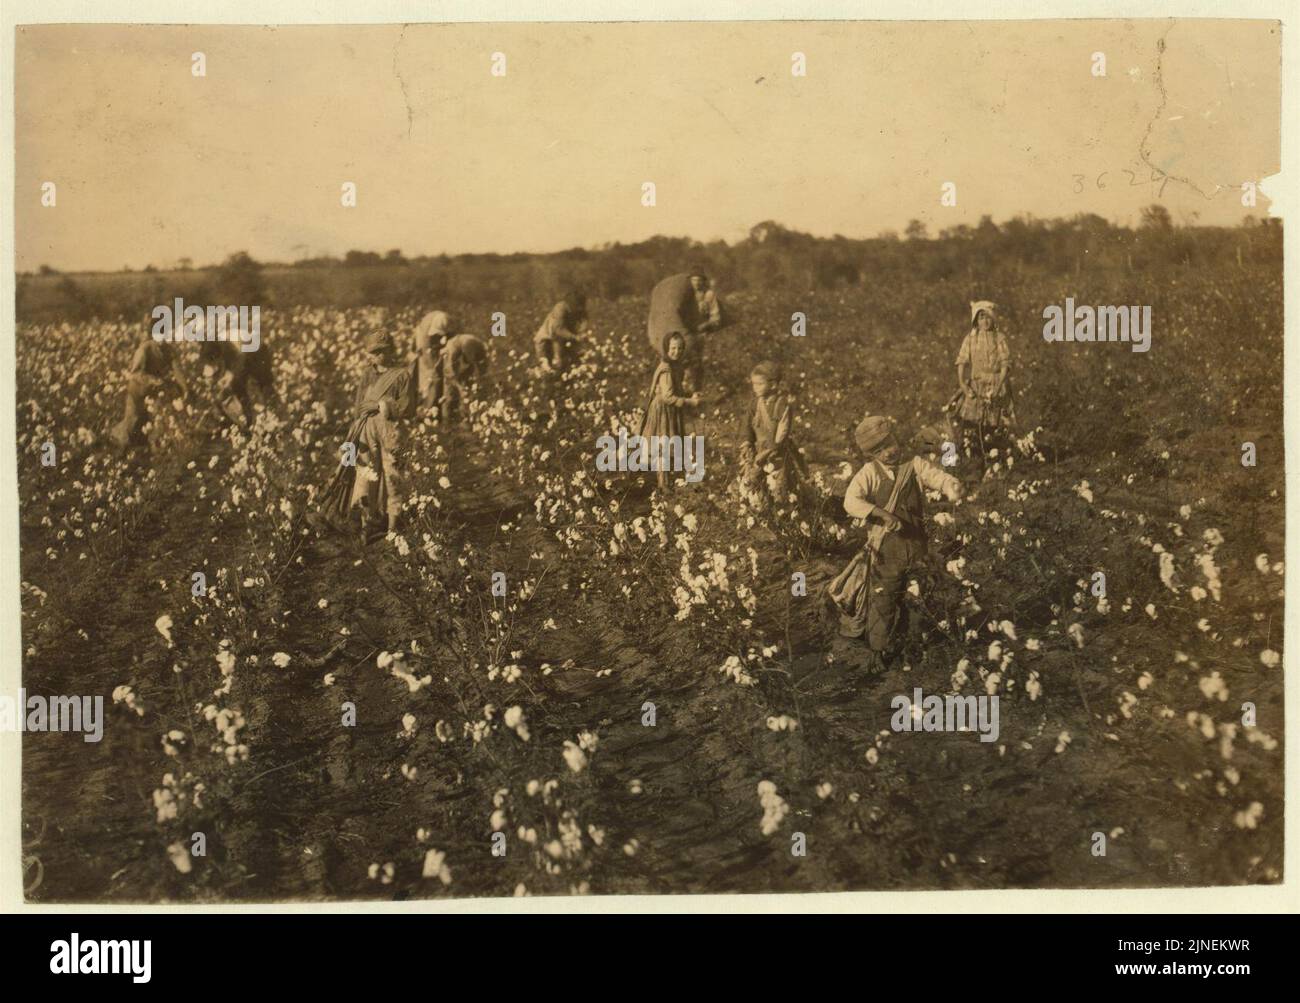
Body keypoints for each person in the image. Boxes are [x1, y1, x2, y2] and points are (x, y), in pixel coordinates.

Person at [826, 415, 962, 673]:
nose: (888, 452)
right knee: (884, 599)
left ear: (895, 438)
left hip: (916, 546)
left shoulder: (915, 465)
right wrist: (882, 514)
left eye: (889, 444)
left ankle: (926, 640)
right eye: (879, 450)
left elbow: (937, 476)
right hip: (886, 552)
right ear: (870, 455)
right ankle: (880, 650)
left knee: (925, 590)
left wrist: (950, 485)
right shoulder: (868, 474)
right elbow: (851, 502)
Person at [317, 330, 416, 542]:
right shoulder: (367, 375)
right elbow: (358, 405)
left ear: (388, 352)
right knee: (365, 474)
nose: (373, 357)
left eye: (378, 352)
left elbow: (408, 408)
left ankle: (393, 527)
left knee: (393, 476)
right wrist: (355, 426)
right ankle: (367, 524)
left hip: (390, 431)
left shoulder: (402, 375)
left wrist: (381, 405)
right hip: (365, 428)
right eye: (372, 353)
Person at [107, 331, 191, 454]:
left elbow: (177, 370)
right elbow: (134, 373)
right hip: (138, 389)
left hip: (154, 390)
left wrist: (185, 388)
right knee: (132, 422)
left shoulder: (169, 350)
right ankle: (117, 443)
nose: (163, 339)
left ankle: (153, 450)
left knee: (155, 420)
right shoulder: (144, 349)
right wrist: (153, 380)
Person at [638, 331, 701, 492]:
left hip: (670, 409)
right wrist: (690, 402)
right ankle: (663, 483)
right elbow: (667, 396)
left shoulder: (676, 366)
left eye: (680, 348)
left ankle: (667, 477)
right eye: (673, 348)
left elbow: (675, 390)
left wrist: (688, 394)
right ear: (666, 348)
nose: (676, 352)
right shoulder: (666, 369)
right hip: (662, 410)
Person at [953, 300, 1012, 472]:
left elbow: (1004, 365)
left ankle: (996, 463)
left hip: (995, 385)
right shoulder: (970, 339)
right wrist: (963, 384)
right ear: (975, 321)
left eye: (987, 318)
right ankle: (974, 463)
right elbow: (962, 361)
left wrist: (998, 386)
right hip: (976, 384)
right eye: (980, 318)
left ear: (993, 319)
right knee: (970, 424)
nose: (984, 322)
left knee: (994, 426)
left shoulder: (999, 339)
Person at [646, 270, 723, 393]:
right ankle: (676, 389)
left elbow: (715, 317)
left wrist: (705, 326)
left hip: (701, 332)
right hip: (688, 331)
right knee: (680, 361)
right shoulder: (686, 296)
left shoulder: (708, 296)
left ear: (703, 282)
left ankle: (694, 391)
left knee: (695, 364)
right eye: (694, 281)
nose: (696, 284)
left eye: (699, 281)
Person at [738, 361, 802, 508]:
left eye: (759, 384)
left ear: (773, 385)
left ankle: (782, 508)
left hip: (775, 451)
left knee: (779, 481)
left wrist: (773, 448)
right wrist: (747, 441)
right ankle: (759, 505)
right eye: (754, 384)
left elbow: (782, 431)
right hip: (758, 448)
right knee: (752, 478)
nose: (755, 388)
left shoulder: (781, 404)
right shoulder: (755, 403)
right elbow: (747, 423)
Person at [533, 292, 590, 373]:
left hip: (564, 341)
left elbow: (584, 320)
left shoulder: (579, 309)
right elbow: (558, 330)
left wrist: (583, 331)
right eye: (577, 307)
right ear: (571, 304)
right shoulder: (560, 309)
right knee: (549, 369)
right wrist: (575, 337)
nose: (580, 309)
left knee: (572, 365)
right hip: (546, 342)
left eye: (581, 307)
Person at [438, 333, 489, 423]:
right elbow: (449, 375)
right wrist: (460, 387)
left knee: (468, 391)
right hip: (451, 363)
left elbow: (483, 366)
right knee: (449, 394)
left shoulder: (479, 346)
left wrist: (480, 380)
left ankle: (466, 417)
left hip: (466, 358)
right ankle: (447, 421)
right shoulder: (452, 350)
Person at [412, 310, 451, 409]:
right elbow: (424, 352)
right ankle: (425, 405)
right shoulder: (424, 333)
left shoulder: (446, 321)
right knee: (429, 375)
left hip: (434, 345)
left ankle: (434, 403)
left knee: (438, 374)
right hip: (424, 349)